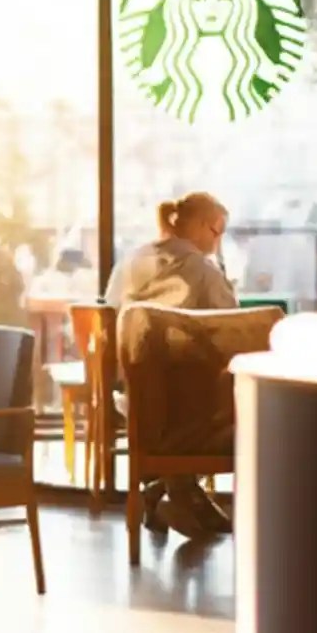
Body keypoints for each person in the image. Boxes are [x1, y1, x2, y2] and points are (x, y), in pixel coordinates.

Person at [105, 191, 236, 539]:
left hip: (130, 395)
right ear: (201, 226)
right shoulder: (200, 269)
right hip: (183, 404)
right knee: (234, 401)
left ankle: (171, 489)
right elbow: (233, 324)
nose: (218, 239)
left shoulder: (131, 260)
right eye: (217, 230)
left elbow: (110, 312)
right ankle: (181, 492)